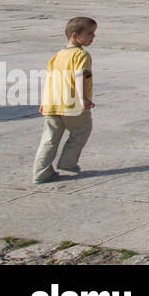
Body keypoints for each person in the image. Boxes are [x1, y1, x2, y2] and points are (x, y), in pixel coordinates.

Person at [33, 17, 97, 183]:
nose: (93, 36)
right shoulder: (81, 54)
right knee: (82, 130)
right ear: (75, 36)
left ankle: (41, 172)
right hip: (72, 103)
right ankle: (68, 163)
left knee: (49, 139)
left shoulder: (57, 56)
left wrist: (44, 101)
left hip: (53, 104)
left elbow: (50, 79)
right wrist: (83, 98)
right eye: (90, 33)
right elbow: (80, 75)